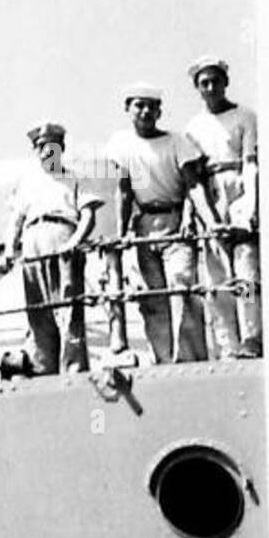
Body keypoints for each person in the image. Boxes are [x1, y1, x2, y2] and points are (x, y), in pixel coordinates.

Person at [106, 83, 224, 364]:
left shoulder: (177, 142)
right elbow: (123, 191)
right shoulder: (121, 144)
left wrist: (209, 222)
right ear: (128, 109)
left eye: (151, 106)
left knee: (181, 288)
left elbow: (193, 186)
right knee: (153, 298)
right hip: (144, 226)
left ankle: (190, 360)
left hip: (176, 223)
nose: (146, 111)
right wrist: (122, 234)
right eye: (139, 105)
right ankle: (161, 360)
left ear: (160, 110)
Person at [5, 122, 103, 375]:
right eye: (41, 147)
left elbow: (88, 215)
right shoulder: (26, 183)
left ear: (61, 149)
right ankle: (43, 366)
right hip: (33, 239)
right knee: (37, 308)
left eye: (53, 147)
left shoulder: (74, 178)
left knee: (69, 308)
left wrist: (74, 242)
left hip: (63, 236)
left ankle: (73, 367)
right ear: (35, 150)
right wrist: (9, 249)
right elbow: (15, 220)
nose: (47, 151)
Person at [184, 56, 261, 357]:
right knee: (216, 276)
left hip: (240, 184)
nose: (211, 87)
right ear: (197, 88)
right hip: (209, 194)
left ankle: (252, 338)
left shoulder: (245, 116)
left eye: (216, 81)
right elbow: (192, 176)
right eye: (204, 83)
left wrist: (251, 205)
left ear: (225, 82)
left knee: (246, 268)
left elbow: (251, 162)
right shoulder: (193, 127)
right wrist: (198, 214)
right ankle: (228, 344)